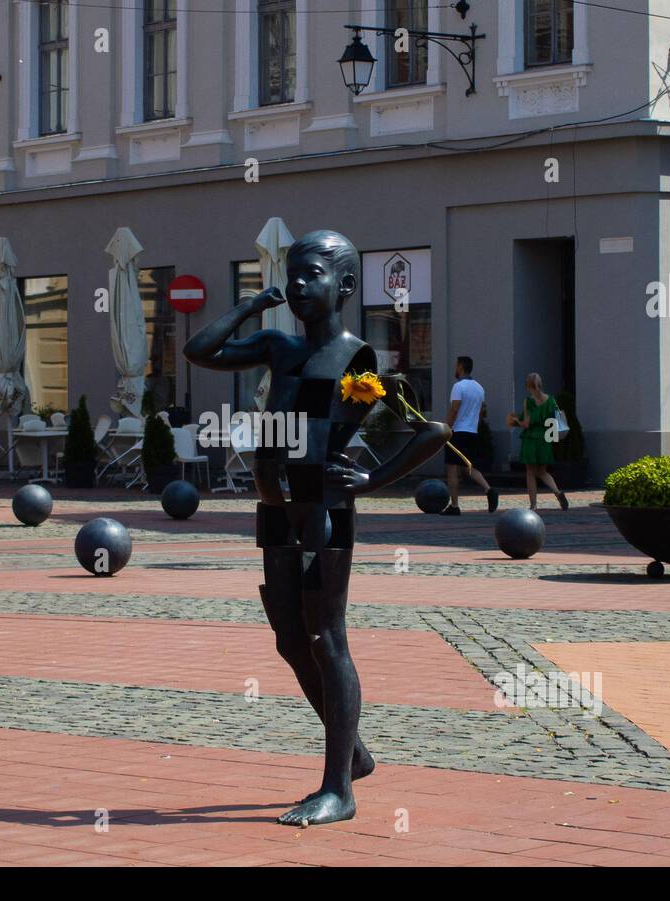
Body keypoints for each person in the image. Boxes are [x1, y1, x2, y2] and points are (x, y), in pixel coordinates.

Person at [184, 230, 448, 827]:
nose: (299, 285)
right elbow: (200, 351)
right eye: (293, 275)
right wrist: (252, 304)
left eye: (313, 276)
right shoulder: (278, 347)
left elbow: (432, 432)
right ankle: (350, 751)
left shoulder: (359, 360)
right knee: (288, 638)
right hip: (276, 505)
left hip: (325, 510)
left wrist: (371, 481)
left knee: (327, 637)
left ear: (346, 287)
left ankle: (339, 788)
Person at [443, 356, 498, 515]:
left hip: (457, 432)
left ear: (461, 366)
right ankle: (488, 489)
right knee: (468, 467)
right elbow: (481, 412)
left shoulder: (458, 387)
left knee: (452, 468)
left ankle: (454, 506)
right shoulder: (479, 388)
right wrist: (475, 425)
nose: (455, 368)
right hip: (472, 432)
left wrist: (447, 427)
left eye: (456, 365)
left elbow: (454, 409)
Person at [507, 372, 569, 511]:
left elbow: (526, 424)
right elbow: (554, 419)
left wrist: (515, 420)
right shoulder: (551, 400)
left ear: (528, 385)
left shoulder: (528, 401)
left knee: (530, 472)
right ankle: (558, 492)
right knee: (542, 471)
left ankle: (533, 505)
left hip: (531, 439)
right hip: (546, 438)